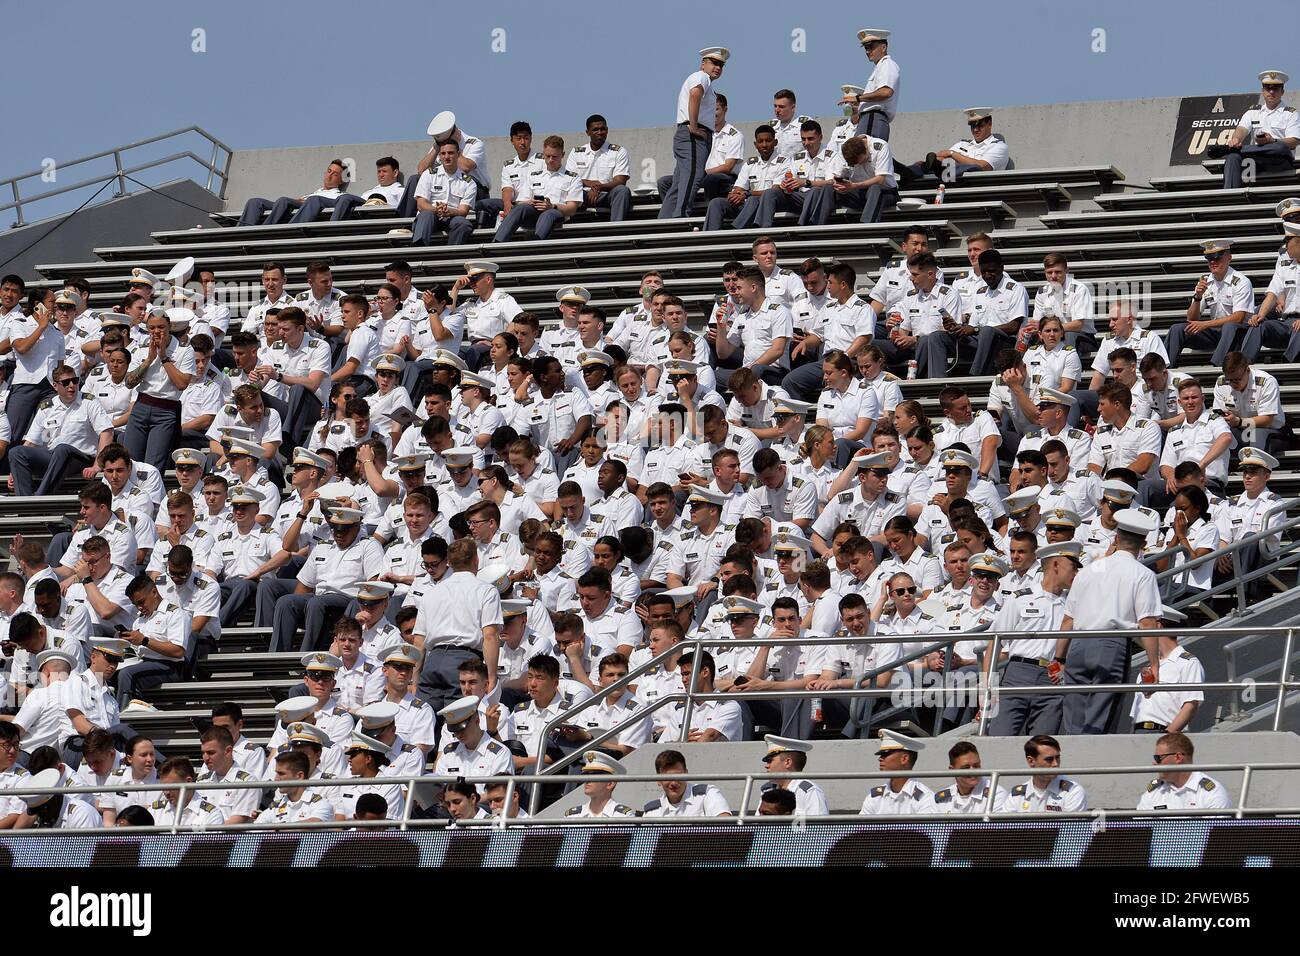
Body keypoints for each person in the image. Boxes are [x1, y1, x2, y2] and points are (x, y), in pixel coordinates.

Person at [1055, 509, 1163, 735]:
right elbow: (1147, 623)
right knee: (1101, 719)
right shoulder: (1142, 574)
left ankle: (1073, 763)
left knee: (1075, 720)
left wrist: (1059, 658)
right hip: (1111, 646)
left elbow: (1068, 620)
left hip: (1078, 646)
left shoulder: (1087, 571)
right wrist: (1154, 665)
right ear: (1143, 543)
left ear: (1116, 538)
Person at [985, 540, 1081, 736]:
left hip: (1053, 678)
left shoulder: (1074, 605)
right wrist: (986, 690)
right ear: (1055, 565)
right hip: (1017, 675)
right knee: (999, 739)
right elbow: (994, 644)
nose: (1076, 573)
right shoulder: (1020, 599)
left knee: (1043, 746)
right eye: (1073, 566)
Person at [8, 363, 114, 496]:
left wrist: (97, 465)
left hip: (80, 458)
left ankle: (38, 499)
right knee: (16, 452)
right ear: (55, 386)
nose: (72, 385)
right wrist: (14, 471)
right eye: (66, 382)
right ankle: (25, 506)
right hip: (53, 458)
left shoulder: (89, 402)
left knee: (62, 449)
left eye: (75, 381)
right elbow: (31, 442)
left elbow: (107, 432)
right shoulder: (47, 407)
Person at [659, 47, 729, 220]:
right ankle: (681, 215)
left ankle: (666, 218)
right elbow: (695, 93)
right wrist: (694, 125)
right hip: (693, 135)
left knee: (680, 181)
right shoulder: (701, 77)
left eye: (721, 65)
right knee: (693, 175)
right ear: (703, 64)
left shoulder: (705, 81)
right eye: (714, 63)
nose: (718, 67)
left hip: (691, 134)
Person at [123, 309, 195, 473]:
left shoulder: (184, 350)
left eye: (161, 327)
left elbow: (182, 383)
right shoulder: (141, 348)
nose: (156, 331)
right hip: (141, 406)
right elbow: (128, 382)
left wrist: (163, 357)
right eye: (152, 328)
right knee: (130, 461)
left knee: (153, 466)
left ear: (169, 326)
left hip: (166, 410)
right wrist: (148, 360)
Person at [1165, 240, 1254, 367]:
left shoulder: (1241, 282)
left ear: (1229, 258)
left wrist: (1205, 324)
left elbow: (1238, 317)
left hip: (1240, 334)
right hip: (1216, 332)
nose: (1213, 262)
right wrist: (1197, 297)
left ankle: (1217, 367)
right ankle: (1165, 367)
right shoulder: (1206, 281)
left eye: (1217, 258)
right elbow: (1191, 319)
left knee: (1229, 326)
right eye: (1209, 258)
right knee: (1177, 329)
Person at [656, 91, 743, 216]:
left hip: (722, 178)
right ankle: (672, 214)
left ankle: (708, 215)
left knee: (711, 179)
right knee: (664, 182)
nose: (712, 113)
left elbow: (728, 166)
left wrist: (704, 173)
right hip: (699, 175)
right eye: (709, 109)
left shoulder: (734, 135)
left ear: (725, 110)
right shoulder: (701, 132)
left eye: (716, 109)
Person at [1211, 70, 1300, 189]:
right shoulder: (1252, 112)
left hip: (1278, 161)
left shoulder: (1291, 114)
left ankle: (1231, 150)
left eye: (1276, 89)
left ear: (1282, 92)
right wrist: (1236, 139)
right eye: (1268, 88)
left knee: (1281, 146)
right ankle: (1231, 200)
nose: (1271, 92)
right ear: (1263, 91)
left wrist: (1272, 140)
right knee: (1233, 158)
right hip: (1255, 161)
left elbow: (1294, 141)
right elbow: (1241, 129)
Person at [115, 574, 193, 708]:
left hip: (169, 666)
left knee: (127, 674)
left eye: (141, 602)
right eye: (135, 604)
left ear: (154, 592)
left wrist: (145, 641)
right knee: (108, 670)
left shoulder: (175, 614)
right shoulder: (139, 621)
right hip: (143, 662)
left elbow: (178, 651)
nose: (139, 608)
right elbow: (137, 651)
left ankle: (121, 717)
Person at [492, 136, 583, 243]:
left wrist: (552, 206)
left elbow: (572, 209)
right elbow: (520, 200)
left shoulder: (573, 177)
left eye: (554, 157)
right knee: (521, 208)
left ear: (562, 155)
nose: (550, 160)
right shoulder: (534, 175)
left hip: (556, 215)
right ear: (543, 154)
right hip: (533, 214)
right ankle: (497, 242)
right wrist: (529, 202)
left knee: (549, 213)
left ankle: (536, 242)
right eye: (547, 156)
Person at [702, 126, 790, 232]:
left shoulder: (785, 162)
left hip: (767, 207)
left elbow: (775, 191)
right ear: (755, 144)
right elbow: (739, 187)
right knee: (716, 203)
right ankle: (711, 236)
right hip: (747, 205)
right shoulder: (750, 163)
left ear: (775, 142)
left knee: (753, 199)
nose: (764, 145)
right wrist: (735, 195)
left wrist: (747, 194)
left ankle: (735, 231)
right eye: (760, 141)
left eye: (768, 141)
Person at [1131, 611, 1205, 734]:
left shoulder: (1187, 662)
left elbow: (1191, 705)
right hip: (1139, 734)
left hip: (1166, 734)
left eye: (1144, 626)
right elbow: (1136, 715)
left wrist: (1167, 735)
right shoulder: (1147, 668)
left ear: (1158, 626)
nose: (1140, 632)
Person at [899, 108, 1010, 183]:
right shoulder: (963, 144)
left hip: (978, 184)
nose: (975, 129)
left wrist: (952, 154)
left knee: (975, 167)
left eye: (979, 125)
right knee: (923, 164)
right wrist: (934, 162)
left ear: (989, 124)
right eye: (972, 126)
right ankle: (904, 170)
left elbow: (984, 166)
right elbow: (938, 158)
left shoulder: (998, 146)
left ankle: (942, 169)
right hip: (952, 180)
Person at [1240, 222, 1300, 362]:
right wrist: (1259, 315)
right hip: (1288, 322)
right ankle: (1242, 366)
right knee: (1258, 326)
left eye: (1287, 241)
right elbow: (1273, 293)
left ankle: (1288, 367)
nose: (1285, 246)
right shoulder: (1286, 266)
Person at [237, 159, 349, 226]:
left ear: (341, 180)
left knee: (284, 200)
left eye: (334, 174)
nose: (329, 176)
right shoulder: (314, 192)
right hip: (300, 203)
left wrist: (303, 201)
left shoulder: (338, 195)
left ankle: (265, 229)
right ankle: (242, 231)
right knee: (255, 202)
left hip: (311, 204)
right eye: (329, 171)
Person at [1137, 733, 1232, 811]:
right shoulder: (1154, 792)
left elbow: (1216, 831)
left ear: (1178, 757)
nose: (1154, 763)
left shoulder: (1211, 793)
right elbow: (1140, 829)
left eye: (1158, 758)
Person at [1212, 351, 1285, 450]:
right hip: (1240, 431)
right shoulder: (1222, 383)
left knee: (1257, 434)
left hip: (1269, 431)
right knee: (1216, 433)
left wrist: (1239, 422)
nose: (1233, 384)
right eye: (1229, 380)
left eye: (1237, 380)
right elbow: (1218, 414)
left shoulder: (1266, 382)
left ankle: (1253, 465)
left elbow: (1267, 419)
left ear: (1248, 370)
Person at [411, 138, 477, 247]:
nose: (446, 157)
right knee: (426, 214)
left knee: (463, 223)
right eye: (443, 153)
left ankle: (452, 255)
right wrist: (437, 209)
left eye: (450, 153)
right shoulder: (428, 174)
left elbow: (463, 211)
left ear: (458, 154)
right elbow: (421, 204)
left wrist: (449, 211)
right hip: (429, 217)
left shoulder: (469, 182)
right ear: (439, 156)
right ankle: (419, 251)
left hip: (452, 219)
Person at [566, 114, 632, 222]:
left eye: (602, 129)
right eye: (595, 129)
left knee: (622, 190)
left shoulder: (618, 151)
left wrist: (599, 187)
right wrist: (589, 184)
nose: (600, 132)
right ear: (587, 132)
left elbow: (620, 181)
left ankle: (617, 229)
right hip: (582, 195)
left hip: (607, 195)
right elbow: (568, 180)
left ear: (607, 130)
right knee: (568, 191)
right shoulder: (576, 152)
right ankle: (567, 226)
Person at [1005, 735, 1088, 813]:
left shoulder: (1073, 791)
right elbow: (1003, 827)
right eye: (1049, 759)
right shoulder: (1017, 796)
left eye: (1057, 758)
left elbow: (1071, 827)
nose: (1055, 764)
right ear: (1031, 761)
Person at [859, 729, 934, 815]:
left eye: (885, 754)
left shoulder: (924, 798)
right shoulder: (875, 797)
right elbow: (860, 827)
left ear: (904, 759)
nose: (880, 758)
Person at [641, 749, 732, 816]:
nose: (673, 782)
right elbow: (642, 842)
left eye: (678, 775)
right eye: (667, 777)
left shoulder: (707, 794)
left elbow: (725, 825)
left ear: (686, 774)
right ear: (658, 780)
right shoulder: (651, 812)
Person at [844, 29, 899, 140]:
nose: (868, 51)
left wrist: (858, 98)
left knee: (868, 154)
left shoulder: (887, 64)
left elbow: (886, 91)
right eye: (866, 48)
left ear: (883, 47)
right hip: (869, 119)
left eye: (871, 47)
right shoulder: (880, 67)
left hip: (873, 118)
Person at [759, 735, 829, 815]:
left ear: (788, 762)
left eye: (770, 761)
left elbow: (818, 826)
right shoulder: (768, 790)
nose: (766, 765)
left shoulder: (809, 792)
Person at [932, 740, 1008, 814]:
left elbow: (996, 826)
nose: (973, 771)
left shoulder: (995, 794)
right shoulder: (942, 799)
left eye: (976, 766)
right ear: (952, 770)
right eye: (966, 767)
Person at [564, 750, 637, 818]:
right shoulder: (572, 816)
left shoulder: (623, 816)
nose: (587, 780)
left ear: (610, 784)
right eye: (585, 775)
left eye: (593, 775)